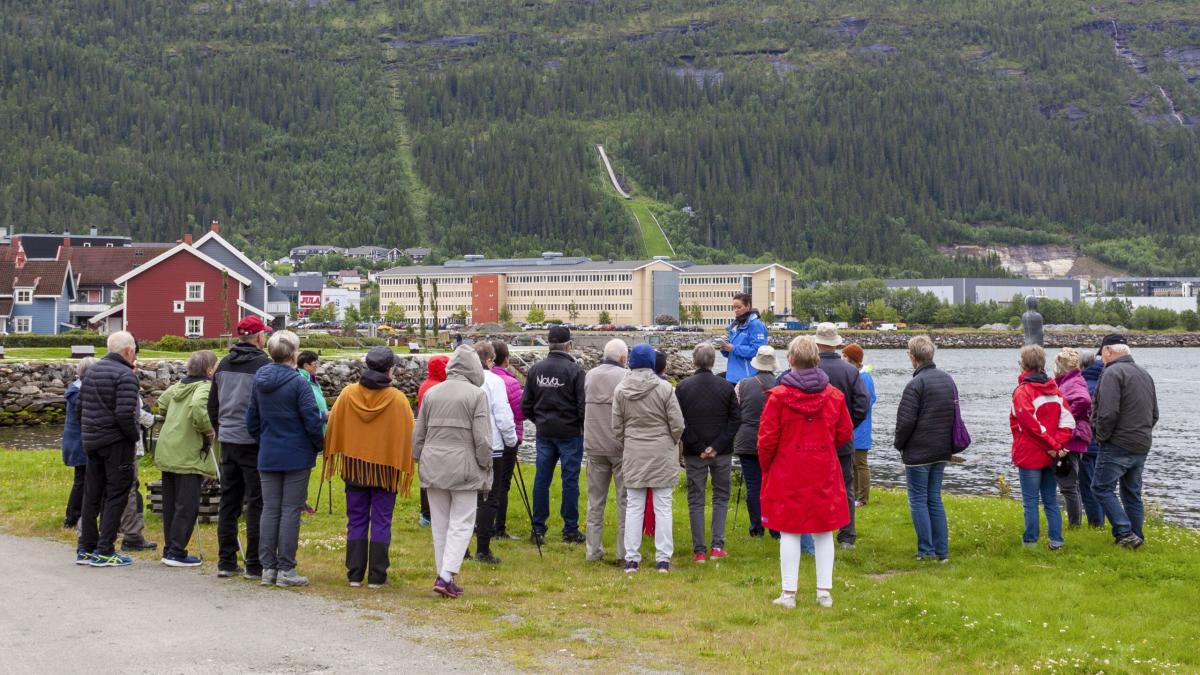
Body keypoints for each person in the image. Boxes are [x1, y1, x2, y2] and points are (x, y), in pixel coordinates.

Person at [759, 336, 853, 609]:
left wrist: (768, 466)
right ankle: (824, 592)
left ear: (791, 360)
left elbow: (766, 439)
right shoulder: (834, 396)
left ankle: (789, 593)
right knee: (824, 530)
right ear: (817, 359)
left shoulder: (778, 397)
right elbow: (845, 433)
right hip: (823, 467)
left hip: (788, 467)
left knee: (790, 530)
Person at [323, 346, 415, 587]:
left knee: (356, 520)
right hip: (385, 470)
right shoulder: (397, 399)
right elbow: (408, 434)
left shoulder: (348, 394)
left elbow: (334, 426)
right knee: (382, 521)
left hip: (355, 468)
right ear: (390, 369)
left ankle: (354, 575)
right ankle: (377, 576)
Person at [412, 345, 493, 599]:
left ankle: (444, 574)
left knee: (440, 524)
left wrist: (418, 457)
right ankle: (446, 576)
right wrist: (485, 464)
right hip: (464, 466)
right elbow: (482, 438)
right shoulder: (477, 395)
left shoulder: (432, 393)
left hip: (433, 464)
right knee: (462, 522)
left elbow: (419, 433)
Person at [247, 330, 324, 587]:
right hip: (296, 453)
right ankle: (286, 569)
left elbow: (252, 420)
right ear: (294, 355)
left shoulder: (260, 380)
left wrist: (265, 440)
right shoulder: (299, 383)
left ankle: (268, 568)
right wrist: (318, 445)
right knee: (291, 510)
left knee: (270, 509)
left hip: (269, 451)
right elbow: (312, 419)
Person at [210, 316, 273, 579]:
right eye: (264, 334)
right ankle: (254, 564)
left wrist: (220, 428)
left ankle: (226, 561)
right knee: (256, 502)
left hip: (228, 439)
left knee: (229, 501)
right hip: (252, 442)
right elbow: (265, 406)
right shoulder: (264, 365)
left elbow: (212, 405)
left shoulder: (223, 363)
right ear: (258, 337)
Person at [614, 343, 685, 574]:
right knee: (663, 506)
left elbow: (616, 426)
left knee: (634, 506)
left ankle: (632, 559)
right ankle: (663, 559)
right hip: (661, 451)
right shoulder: (665, 389)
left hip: (634, 450)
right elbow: (678, 424)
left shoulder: (621, 390)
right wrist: (670, 441)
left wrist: (629, 442)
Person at [75, 331, 142, 567]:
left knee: (92, 495)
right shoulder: (125, 375)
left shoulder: (91, 372)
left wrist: (90, 429)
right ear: (128, 350)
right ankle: (105, 549)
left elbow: (79, 407)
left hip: (92, 440)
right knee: (116, 494)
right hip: (116, 443)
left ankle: (86, 548)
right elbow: (125, 414)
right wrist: (134, 437)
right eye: (134, 350)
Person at [675, 343, 741, 563]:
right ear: (713, 361)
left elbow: (679, 421)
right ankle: (717, 546)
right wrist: (717, 445)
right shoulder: (726, 387)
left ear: (694, 361)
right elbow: (735, 419)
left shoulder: (683, 387)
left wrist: (698, 446)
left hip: (695, 452)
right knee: (721, 496)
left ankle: (699, 550)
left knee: (696, 499)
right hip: (721, 452)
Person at [1091, 334, 1159, 548]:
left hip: (1117, 443)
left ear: (1108, 350)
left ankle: (1124, 532)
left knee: (1101, 488)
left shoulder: (1112, 373)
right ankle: (1137, 536)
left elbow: (1107, 413)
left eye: (1102, 354)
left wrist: (1101, 437)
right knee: (1131, 492)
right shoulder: (1144, 373)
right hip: (1141, 443)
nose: (1102, 359)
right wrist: (1142, 433)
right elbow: (1154, 414)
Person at [521, 325, 586, 545]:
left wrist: (539, 420)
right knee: (570, 481)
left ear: (549, 344)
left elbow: (526, 405)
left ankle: (538, 528)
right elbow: (582, 406)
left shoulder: (536, 370)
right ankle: (570, 529)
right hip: (570, 432)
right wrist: (580, 426)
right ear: (569, 345)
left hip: (545, 431)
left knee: (542, 479)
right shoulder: (575, 371)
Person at [154, 350, 219, 567]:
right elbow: (199, 407)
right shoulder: (205, 386)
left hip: (168, 447)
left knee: (171, 503)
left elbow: (162, 402)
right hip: (188, 451)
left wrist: (176, 416)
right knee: (187, 505)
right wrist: (208, 429)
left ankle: (170, 548)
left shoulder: (179, 385)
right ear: (209, 370)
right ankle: (176, 551)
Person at [893, 335, 956, 562]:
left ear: (913, 357)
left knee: (918, 500)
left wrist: (899, 444)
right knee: (934, 498)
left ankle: (926, 551)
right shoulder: (947, 380)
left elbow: (905, 421)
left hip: (919, 451)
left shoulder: (915, 384)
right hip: (941, 448)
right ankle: (941, 551)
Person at [1010, 345, 1075, 550]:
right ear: (1042, 364)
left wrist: (1053, 445)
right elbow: (1068, 422)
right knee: (1050, 499)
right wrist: (1057, 446)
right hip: (1051, 454)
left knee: (1030, 501)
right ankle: (1056, 541)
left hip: (1030, 454)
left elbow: (1031, 426)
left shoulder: (1023, 392)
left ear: (1023, 364)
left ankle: (1030, 542)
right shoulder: (1055, 390)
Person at [812, 323, 869, 549]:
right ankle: (847, 535)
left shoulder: (809, 369)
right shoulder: (850, 371)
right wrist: (847, 427)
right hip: (842, 439)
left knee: (815, 486)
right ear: (836, 344)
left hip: (813, 439)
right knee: (845, 486)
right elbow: (862, 405)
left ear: (817, 343)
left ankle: (818, 531)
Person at [583, 339, 629, 563]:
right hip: (619, 447)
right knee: (625, 502)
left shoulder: (590, 375)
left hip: (594, 445)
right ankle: (623, 552)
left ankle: (593, 550)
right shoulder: (625, 376)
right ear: (623, 358)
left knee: (595, 502)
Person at [472, 341, 517, 564]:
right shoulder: (494, 381)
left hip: (469, 445)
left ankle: (462, 547)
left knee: (467, 497)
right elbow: (503, 415)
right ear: (490, 360)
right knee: (490, 497)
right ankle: (482, 547)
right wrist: (512, 440)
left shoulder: (465, 380)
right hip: (493, 446)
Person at [735, 346, 778, 538]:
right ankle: (775, 528)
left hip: (747, 439)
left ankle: (756, 527)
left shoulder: (742, 384)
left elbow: (735, 411)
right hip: (774, 442)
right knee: (775, 486)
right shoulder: (781, 385)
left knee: (753, 485)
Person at [1053, 348, 1093, 528]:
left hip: (1071, 440)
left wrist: (1067, 418)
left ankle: (1074, 525)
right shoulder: (1072, 380)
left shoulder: (1072, 382)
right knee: (1071, 485)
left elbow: (1084, 401)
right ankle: (1075, 523)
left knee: (1068, 486)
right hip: (1073, 438)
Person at [490, 341, 524, 540]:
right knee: (502, 484)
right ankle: (498, 527)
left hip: (485, 438)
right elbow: (520, 413)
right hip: (507, 438)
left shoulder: (482, 378)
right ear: (506, 359)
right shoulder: (510, 382)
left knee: (486, 482)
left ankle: (483, 523)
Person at [62, 357, 98, 530]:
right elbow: (85, 415)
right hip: (79, 441)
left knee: (84, 479)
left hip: (78, 440)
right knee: (81, 480)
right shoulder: (78, 392)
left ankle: (78, 516)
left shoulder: (77, 389)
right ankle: (72, 517)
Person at [415, 355, 450, 529]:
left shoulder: (425, 385)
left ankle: (426, 514)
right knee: (436, 477)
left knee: (427, 476)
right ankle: (431, 514)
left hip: (426, 436)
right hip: (436, 436)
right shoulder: (439, 388)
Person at [842, 343, 877, 507]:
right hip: (855, 427)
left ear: (852, 359)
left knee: (860, 463)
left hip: (860, 427)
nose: (842, 358)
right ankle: (855, 494)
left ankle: (862, 497)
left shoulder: (864, 378)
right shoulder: (856, 375)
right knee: (853, 464)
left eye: (844, 356)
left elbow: (868, 401)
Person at [1078, 352, 1107, 527]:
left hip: (1087, 445)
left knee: (1088, 487)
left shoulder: (1083, 387)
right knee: (1102, 486)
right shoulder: (1106, 383)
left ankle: (1096, 524)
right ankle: (1101, 521)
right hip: (1104, 444)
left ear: (1082, 366)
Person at [720, 292, 768, 383]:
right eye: (734, 307)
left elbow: (758, 351)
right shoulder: (735, 325)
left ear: (748, 306)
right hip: (732, 376)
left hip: (747, 377)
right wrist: (724, 348)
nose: (736, 310)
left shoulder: (755, 325)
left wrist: (733, 348)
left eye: (739, 307)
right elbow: (731, 354)